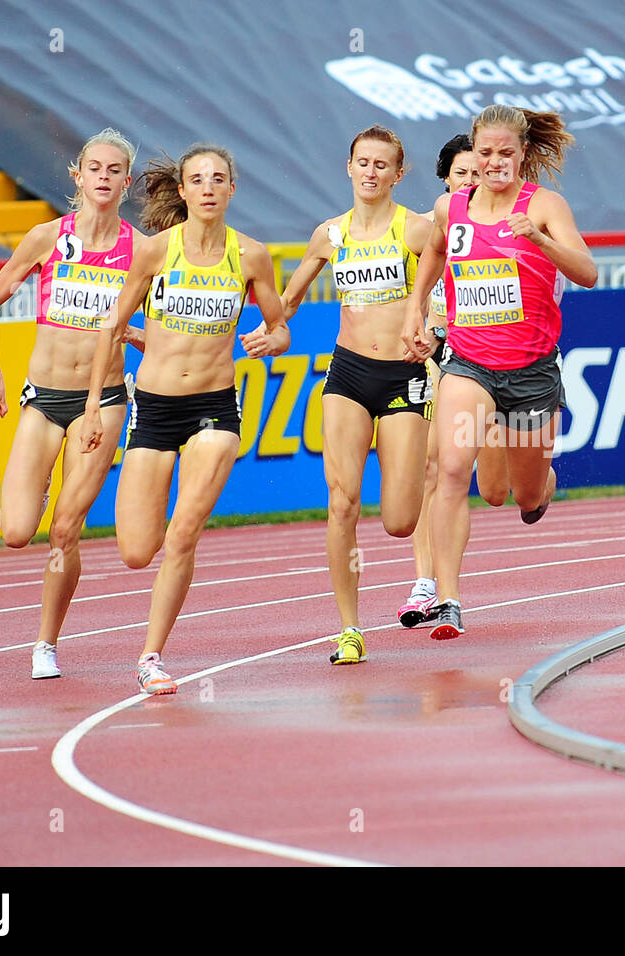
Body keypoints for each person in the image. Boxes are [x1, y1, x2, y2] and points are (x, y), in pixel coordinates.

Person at [79, 143, 289, 694]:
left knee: (183, 534)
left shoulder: (250, 256)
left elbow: (281, 325)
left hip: (214, 409)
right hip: (152, 408)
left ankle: (151, 656)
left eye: (219, 178)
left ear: (231, 190)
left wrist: (272, 339)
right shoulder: (153, 253)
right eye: (198, 179)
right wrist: (92, 408)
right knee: (134, 551)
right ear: (183, 190)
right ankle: (152, 620)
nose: (209, 188)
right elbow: (110, 326)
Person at [403, 105, 597, 641]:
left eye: (505, 153)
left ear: (522, 155)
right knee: (450, 473)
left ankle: (541, 487)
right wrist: (414, 310)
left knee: (514, 495)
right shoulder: (452, 206)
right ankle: (448, 599)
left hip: (532, 372)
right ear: (473, 151)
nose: (494, 162)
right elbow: (435, 254)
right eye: (484, 153)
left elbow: (587, 273)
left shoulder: (545, 205)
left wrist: (539, 239)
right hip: (469, 366)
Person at [254, 126, 433, 665]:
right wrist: (269, 327)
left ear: (399, 174)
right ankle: (350, 630)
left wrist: (430, 325)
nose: (371, 172)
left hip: (403, 376)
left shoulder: (420, 231)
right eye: (363, 162)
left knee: (400, 519)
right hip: (349, 373)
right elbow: (288, 299)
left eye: (383, 165)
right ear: (349, 167)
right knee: (342, 502)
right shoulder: (329, 235)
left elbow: (447, 288)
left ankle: (425, 567)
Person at [0, 128, 144, 681]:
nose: (103, 176)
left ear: (125, 181)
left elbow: (165, 323)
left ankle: (46, 642)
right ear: (77, 176)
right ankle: (44, 477)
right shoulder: (47, 238)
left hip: (105, 402)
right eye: (93, 167)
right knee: (17, 530)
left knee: (64, 530)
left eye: (114, 169)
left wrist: (137, 336)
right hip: (43, 399)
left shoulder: (141, 250)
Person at [398, 133, 512, 629]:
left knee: (495, 489)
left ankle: (539, 480)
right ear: (446, 178)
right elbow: (409, 292)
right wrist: (418, 328)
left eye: (477, 171)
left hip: (496, 360)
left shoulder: (506, 224)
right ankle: (430, 584)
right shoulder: (428, 228)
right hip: (438, 359)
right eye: (461, 173)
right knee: (434, 467)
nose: (471, 180)